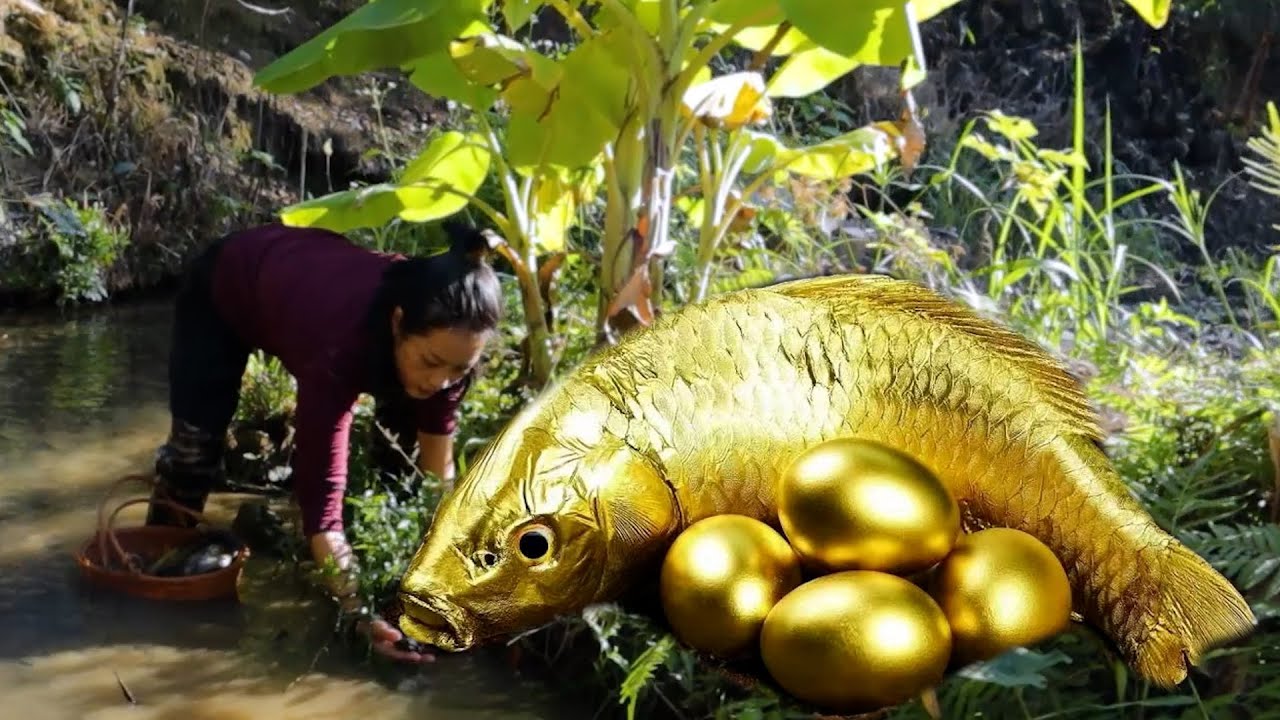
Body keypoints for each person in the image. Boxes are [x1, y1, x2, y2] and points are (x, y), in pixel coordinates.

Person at [144, 220, 503, 663]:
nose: (440, 382)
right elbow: (324, 513)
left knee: (399, 448)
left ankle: (379, 567)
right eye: (431, 362)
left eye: (458, 371)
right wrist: (360, 612)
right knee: (193, 452)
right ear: (398, 323)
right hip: (228, 284)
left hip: (304, 282)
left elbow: (437, 479)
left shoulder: (445, 344)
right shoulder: (339, 343)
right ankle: (151, 571)